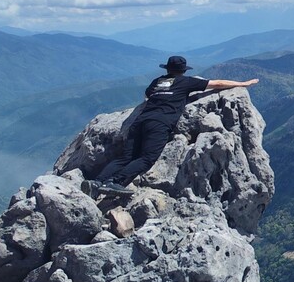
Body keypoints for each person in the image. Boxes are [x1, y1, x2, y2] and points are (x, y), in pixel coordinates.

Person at [92, 56, 259, 191]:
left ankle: (97, 182)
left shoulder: (157, 81)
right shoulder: (186, 82)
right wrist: (243, 84)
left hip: (140, 121)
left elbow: (147, 95)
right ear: (183, 71)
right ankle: (116, 182)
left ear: (167, 69)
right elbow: (217, 83)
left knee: (126, 157)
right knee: (147, 158)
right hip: (160, 122)